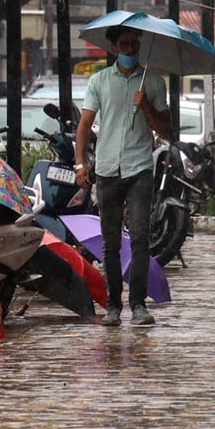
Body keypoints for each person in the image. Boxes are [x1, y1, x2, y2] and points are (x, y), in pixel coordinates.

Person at [74, 26, 171, 327]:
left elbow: (167, 130)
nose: (130, 49)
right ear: (114, 47)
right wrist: (80, 164)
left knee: (140, 237)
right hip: (107, 169)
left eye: (134, 44)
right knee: (110, 242)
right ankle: (113, 305)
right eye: (124, 44)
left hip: (139, 168)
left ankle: (138, 304)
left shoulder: (153, 82)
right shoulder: (99, 81)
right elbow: (85, 122)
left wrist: (147, 107)